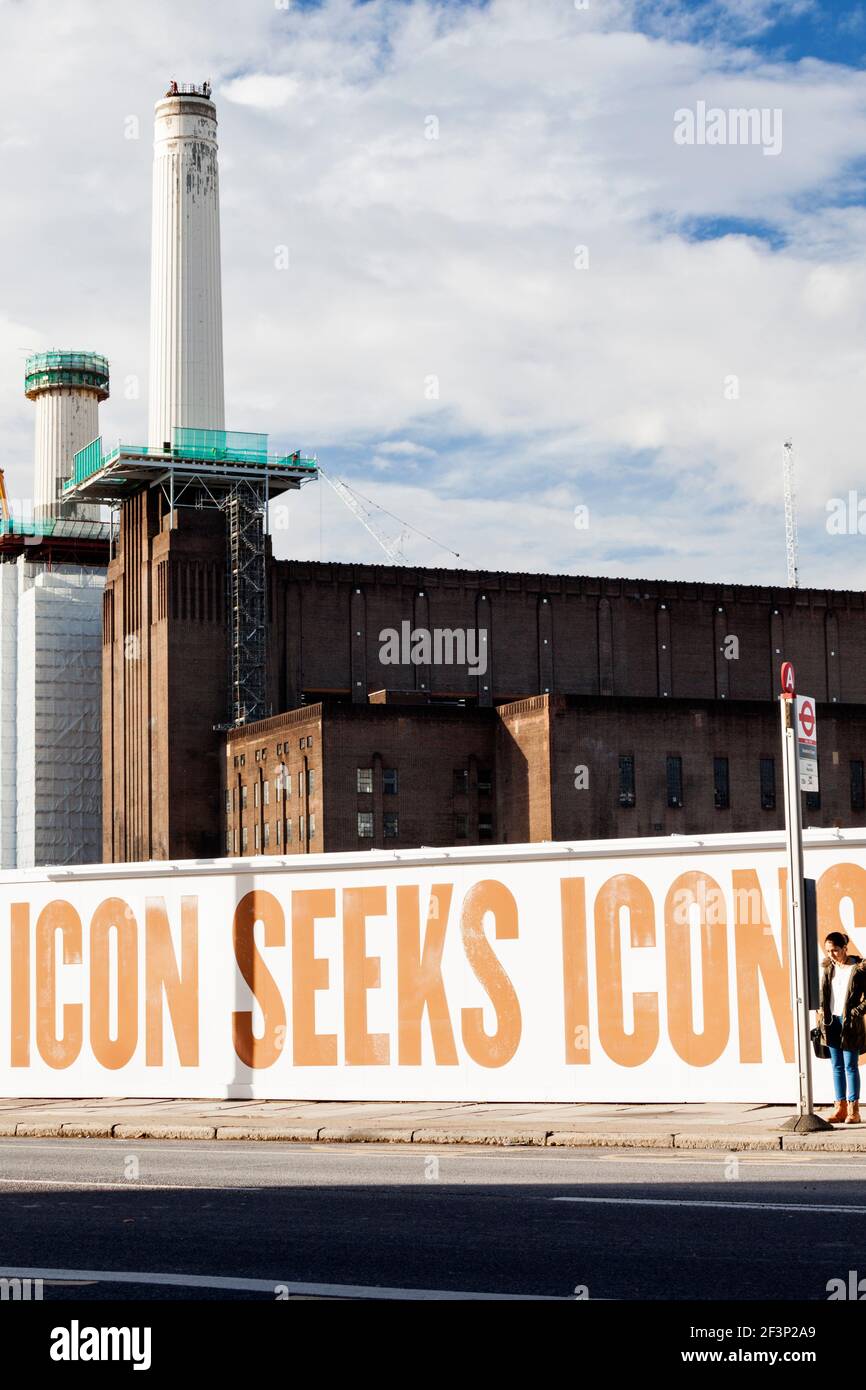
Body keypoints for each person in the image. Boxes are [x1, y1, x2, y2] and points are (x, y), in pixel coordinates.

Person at [814, 931, 866, 1123]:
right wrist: (820, 1013)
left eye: (835, 950)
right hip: (830, 1022)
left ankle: (854, 1111)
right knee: (836, 1066)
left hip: (850, 1023)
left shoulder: (860, 968)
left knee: (850, 1066)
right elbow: (824, 992)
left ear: (845, 948)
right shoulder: (828, 967)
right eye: (828, 951)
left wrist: (855, 1012)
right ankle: (840, 1108)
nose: (831, 955)